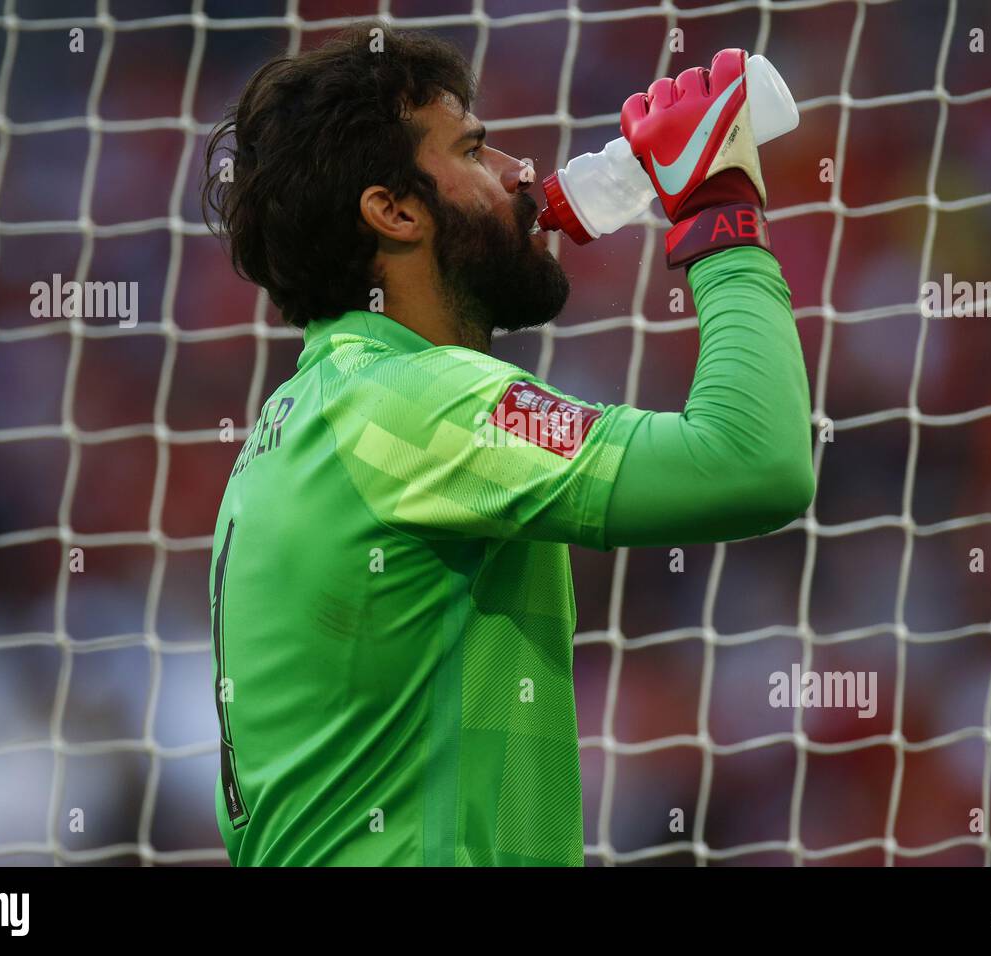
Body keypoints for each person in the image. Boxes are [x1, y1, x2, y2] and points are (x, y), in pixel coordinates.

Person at [200, 23, 813, 866]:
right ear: (396, 210)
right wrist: (717, 209)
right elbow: (758, 461)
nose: (520, 175)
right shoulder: (407, 403)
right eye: (475, 150)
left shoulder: (306, 413)